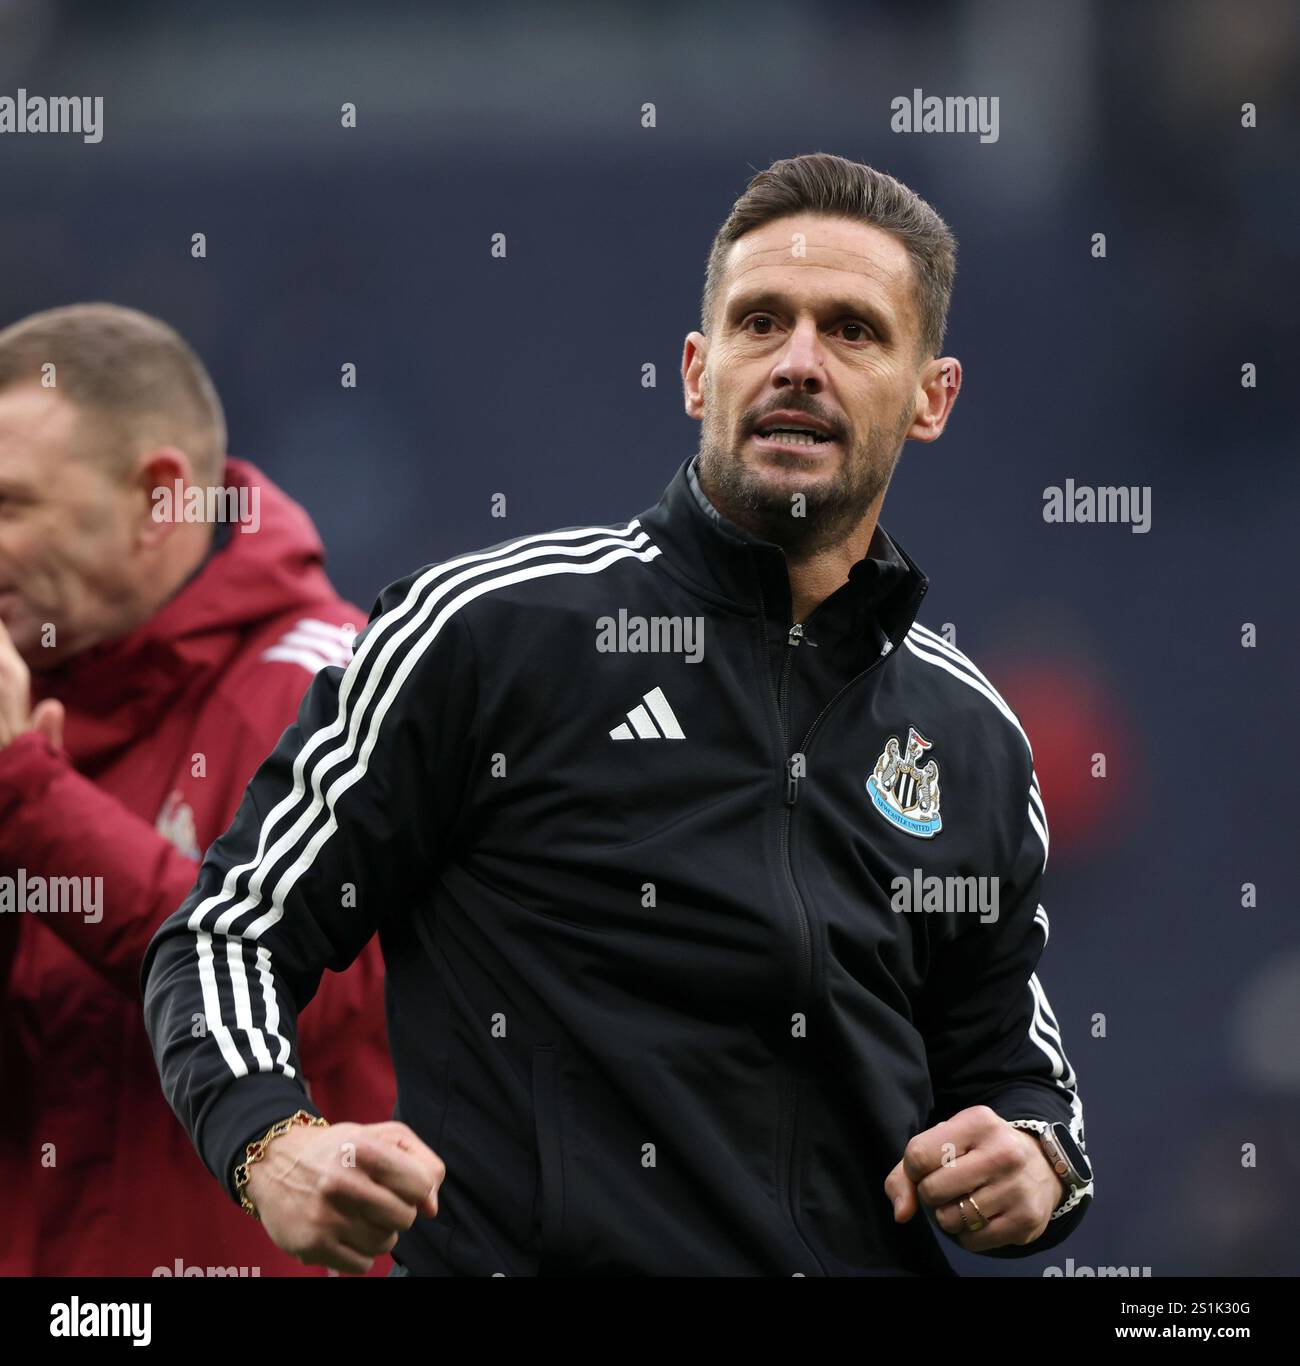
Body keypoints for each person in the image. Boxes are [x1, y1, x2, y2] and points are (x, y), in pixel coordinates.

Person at [142, 153, 1094, 1276]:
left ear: (931, 396)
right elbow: (228, 932)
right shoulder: (489, 634)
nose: (796, 362)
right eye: (759, 322)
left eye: (850, 331)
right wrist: (273, 1142)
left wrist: (1037, 1158)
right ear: (698, 371)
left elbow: (1012, 1063)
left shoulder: (969, 733)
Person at [0, 302, 395, 1276]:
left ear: (160, 498)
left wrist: (27, 796)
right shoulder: (27, 693)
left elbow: (315, 994)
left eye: (9, 505)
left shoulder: (329, 687)